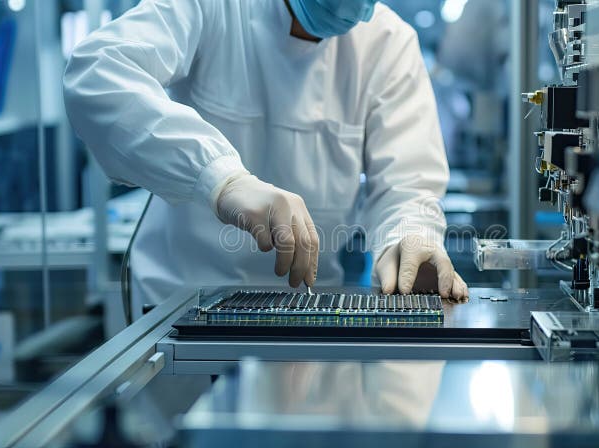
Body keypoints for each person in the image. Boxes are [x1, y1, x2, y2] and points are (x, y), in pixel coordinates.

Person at [64, 0, 469, 313]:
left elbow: (407, 184)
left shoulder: (388, 44)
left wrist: (410, 234)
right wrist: (221, 180)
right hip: (181, 307)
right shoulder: (216, 9)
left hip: (310, 310)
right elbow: (98, 74)